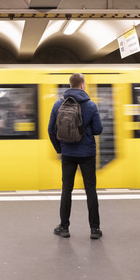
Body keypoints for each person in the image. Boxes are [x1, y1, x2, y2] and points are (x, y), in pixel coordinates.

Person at [47, 73, 104, 239]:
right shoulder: (91, 105)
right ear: (82, 85)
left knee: (67, 189)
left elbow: (51, 130)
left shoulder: (58, 104)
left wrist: (60, 148)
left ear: (70, 85)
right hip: (87, 154)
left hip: (68, 154)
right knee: (90, 190)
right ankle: (95, 229)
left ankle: (64, 227)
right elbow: (99, 130)